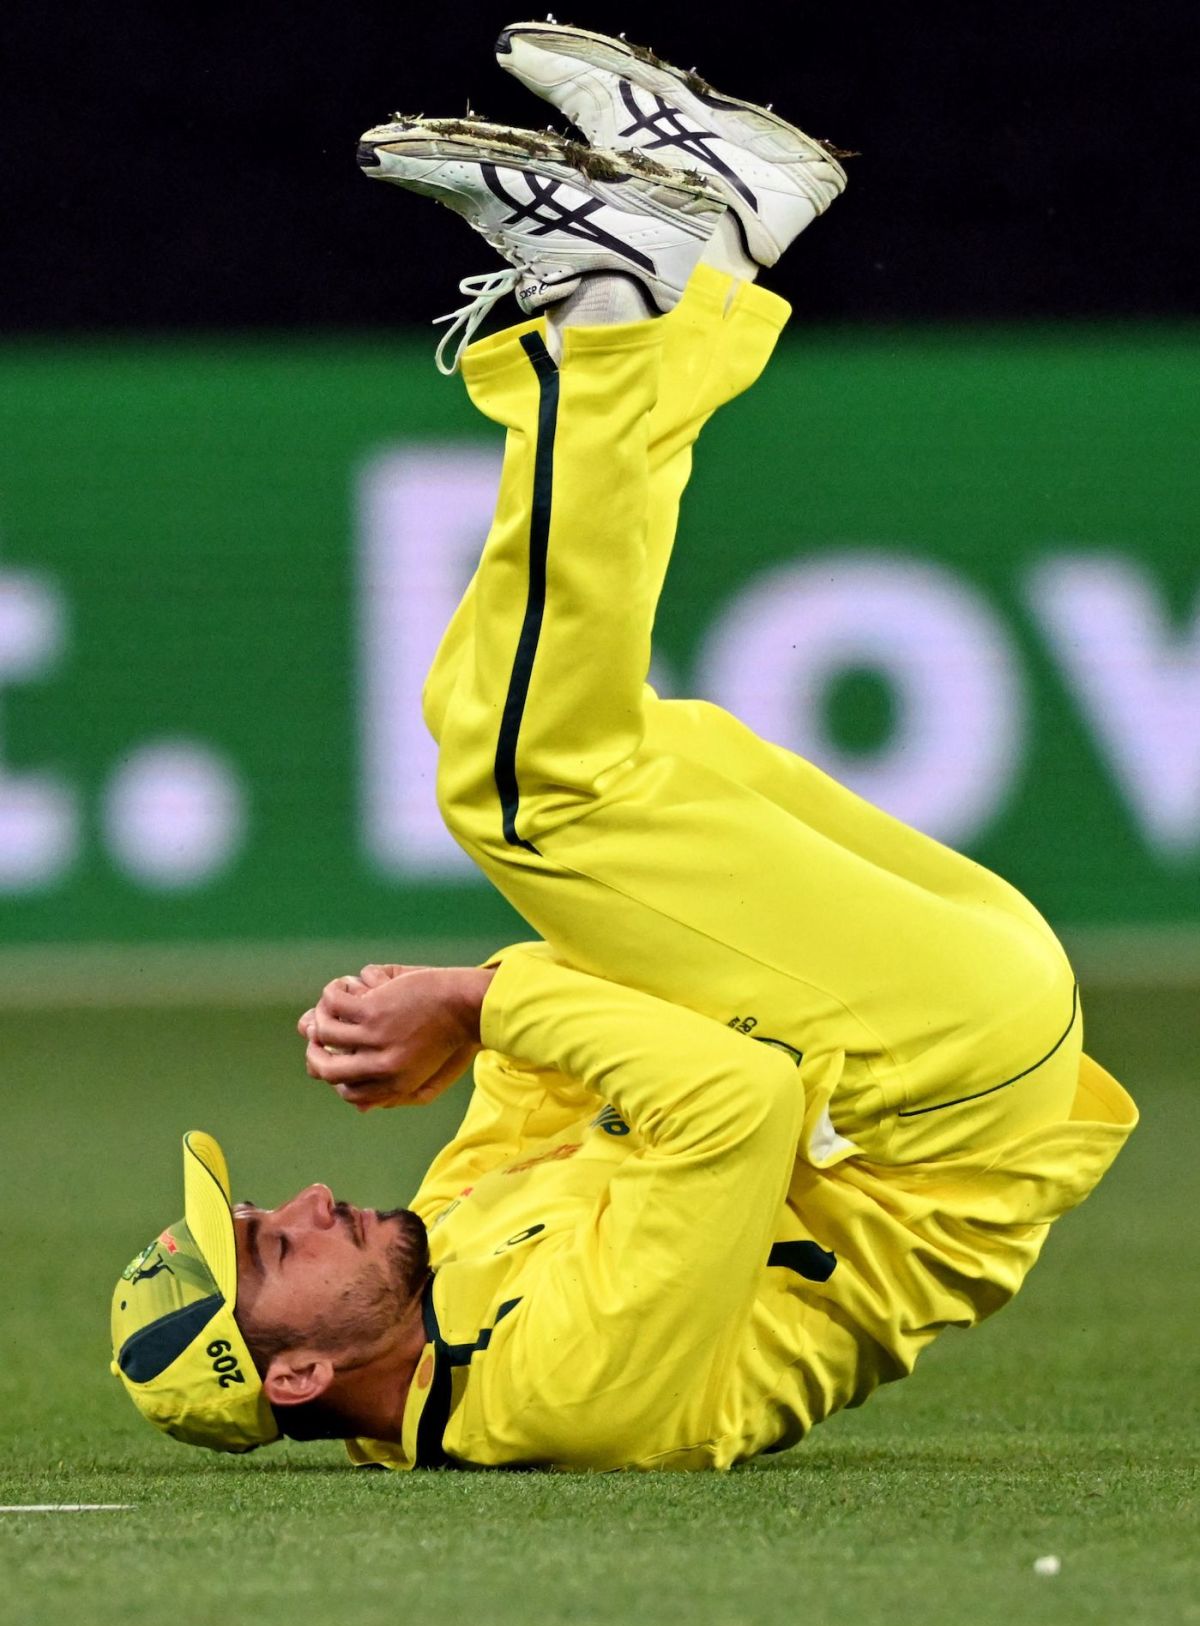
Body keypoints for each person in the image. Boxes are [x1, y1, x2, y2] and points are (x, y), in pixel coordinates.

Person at [110, 23, 1137, 1470]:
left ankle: (709, 244)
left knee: (502, 720)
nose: (307, 1200)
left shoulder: (441, 1254)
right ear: (296, 1376)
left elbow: (560, 1069)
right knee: (527, 792)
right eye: (271, 1249)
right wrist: (472, 1000)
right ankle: (618, 299)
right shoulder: (554, 1389)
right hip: (930, 1085)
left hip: (925, 1013)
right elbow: (733, 1100)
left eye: (261, 1209)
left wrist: (498, 1025)